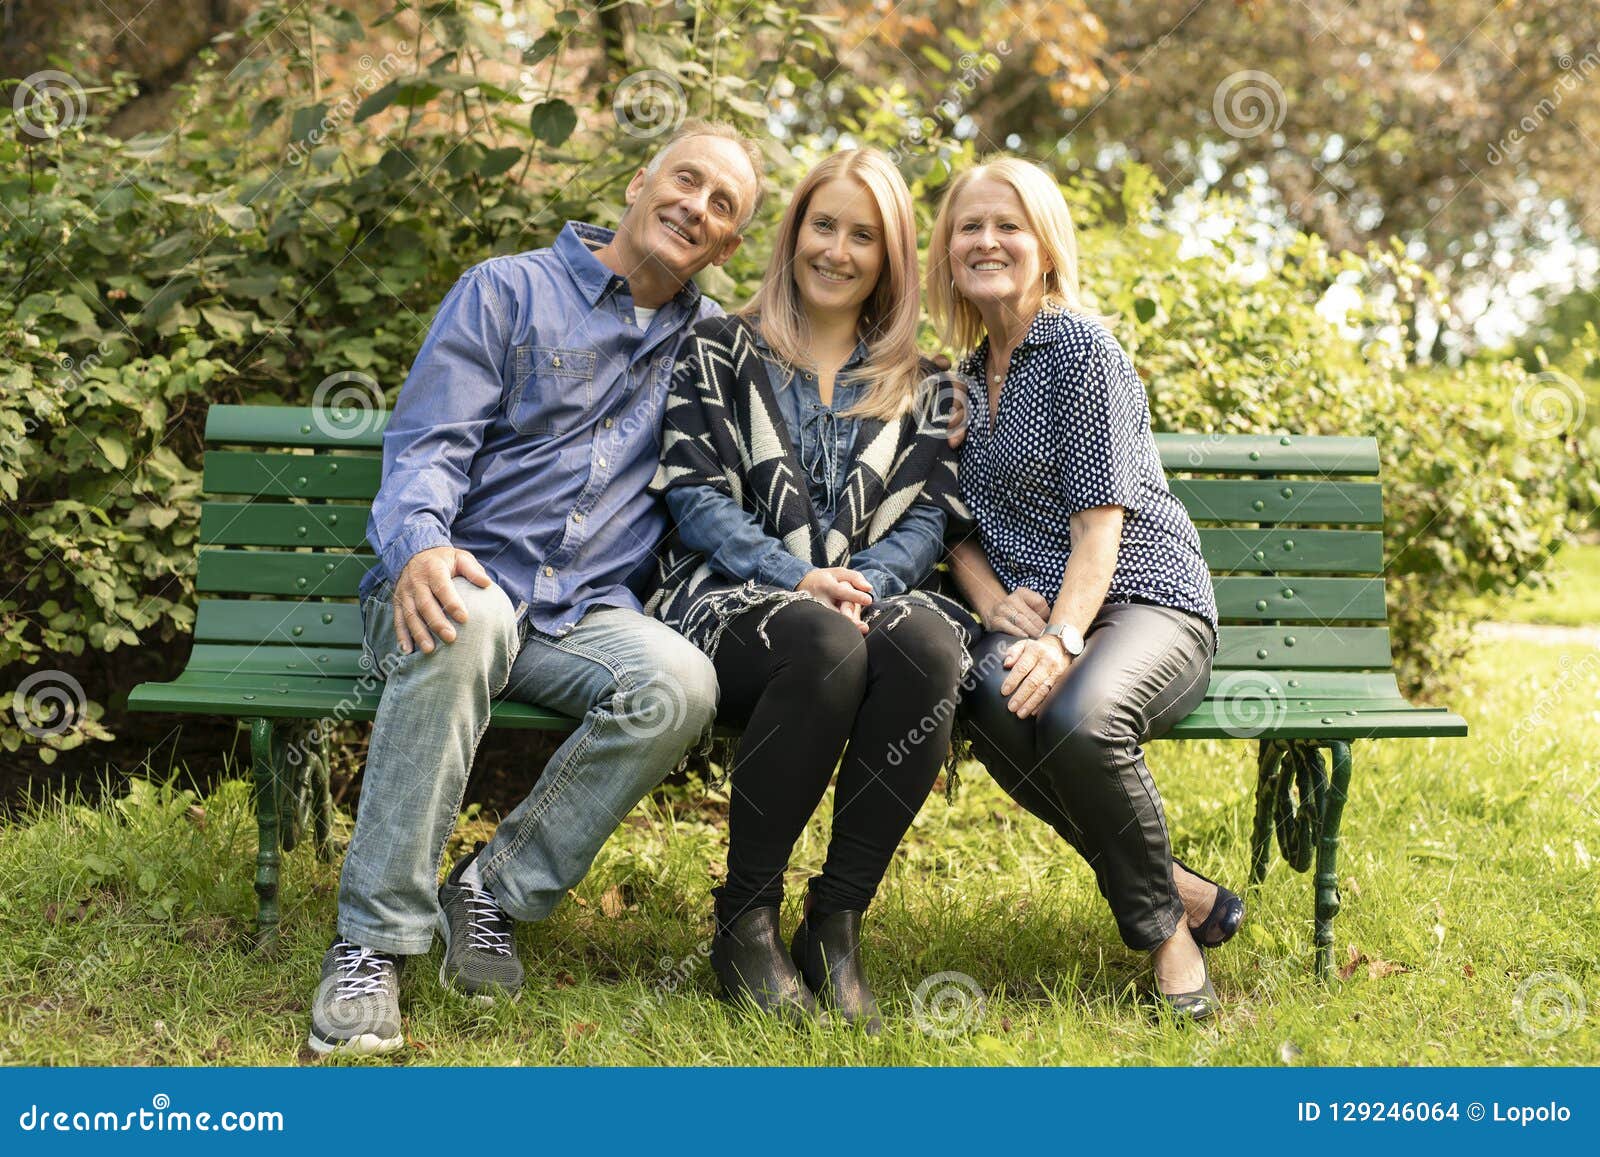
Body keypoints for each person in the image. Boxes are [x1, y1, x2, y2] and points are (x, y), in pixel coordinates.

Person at [308, 121, 766, 1056]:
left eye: (724, 208)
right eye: (687, 181)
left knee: (680, 684)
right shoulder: (507, 289)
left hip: (577, 617)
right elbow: (429, 446)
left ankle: (492, 891)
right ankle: (372, 943)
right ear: (640, 181)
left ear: (725, 247)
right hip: (454, 581)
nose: (697, 207)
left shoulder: (712, 345)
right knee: (469, 619)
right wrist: (421, 548)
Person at [648, 148, 974, 1032]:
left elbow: (927, 522)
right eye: (822, 226)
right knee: (825, 639)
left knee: (930, 643)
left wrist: (860, 583)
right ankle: (744, 918)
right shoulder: (716, 348)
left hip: (869, 603)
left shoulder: (933, 385)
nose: (837, 249)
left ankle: (835, 920)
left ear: (891, 257)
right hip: (729, 598)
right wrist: (800, 578)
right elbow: (694, 497)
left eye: (863, 235)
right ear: (793, 234)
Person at [927, 157, 1242, 1021]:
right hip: (1035, 608)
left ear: (1046, 246)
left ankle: (1166, 937)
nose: (986, 241)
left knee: (1079, 717)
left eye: (1008, 225)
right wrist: (991, 601)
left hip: (1143, 598)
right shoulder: (954, 378)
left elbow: (1098, 533)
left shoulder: (1080, 351)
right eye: (969, 226)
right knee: (984, 693)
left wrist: (1063, 640)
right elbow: (946, 519)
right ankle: (1182, 891)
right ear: (947, 249)